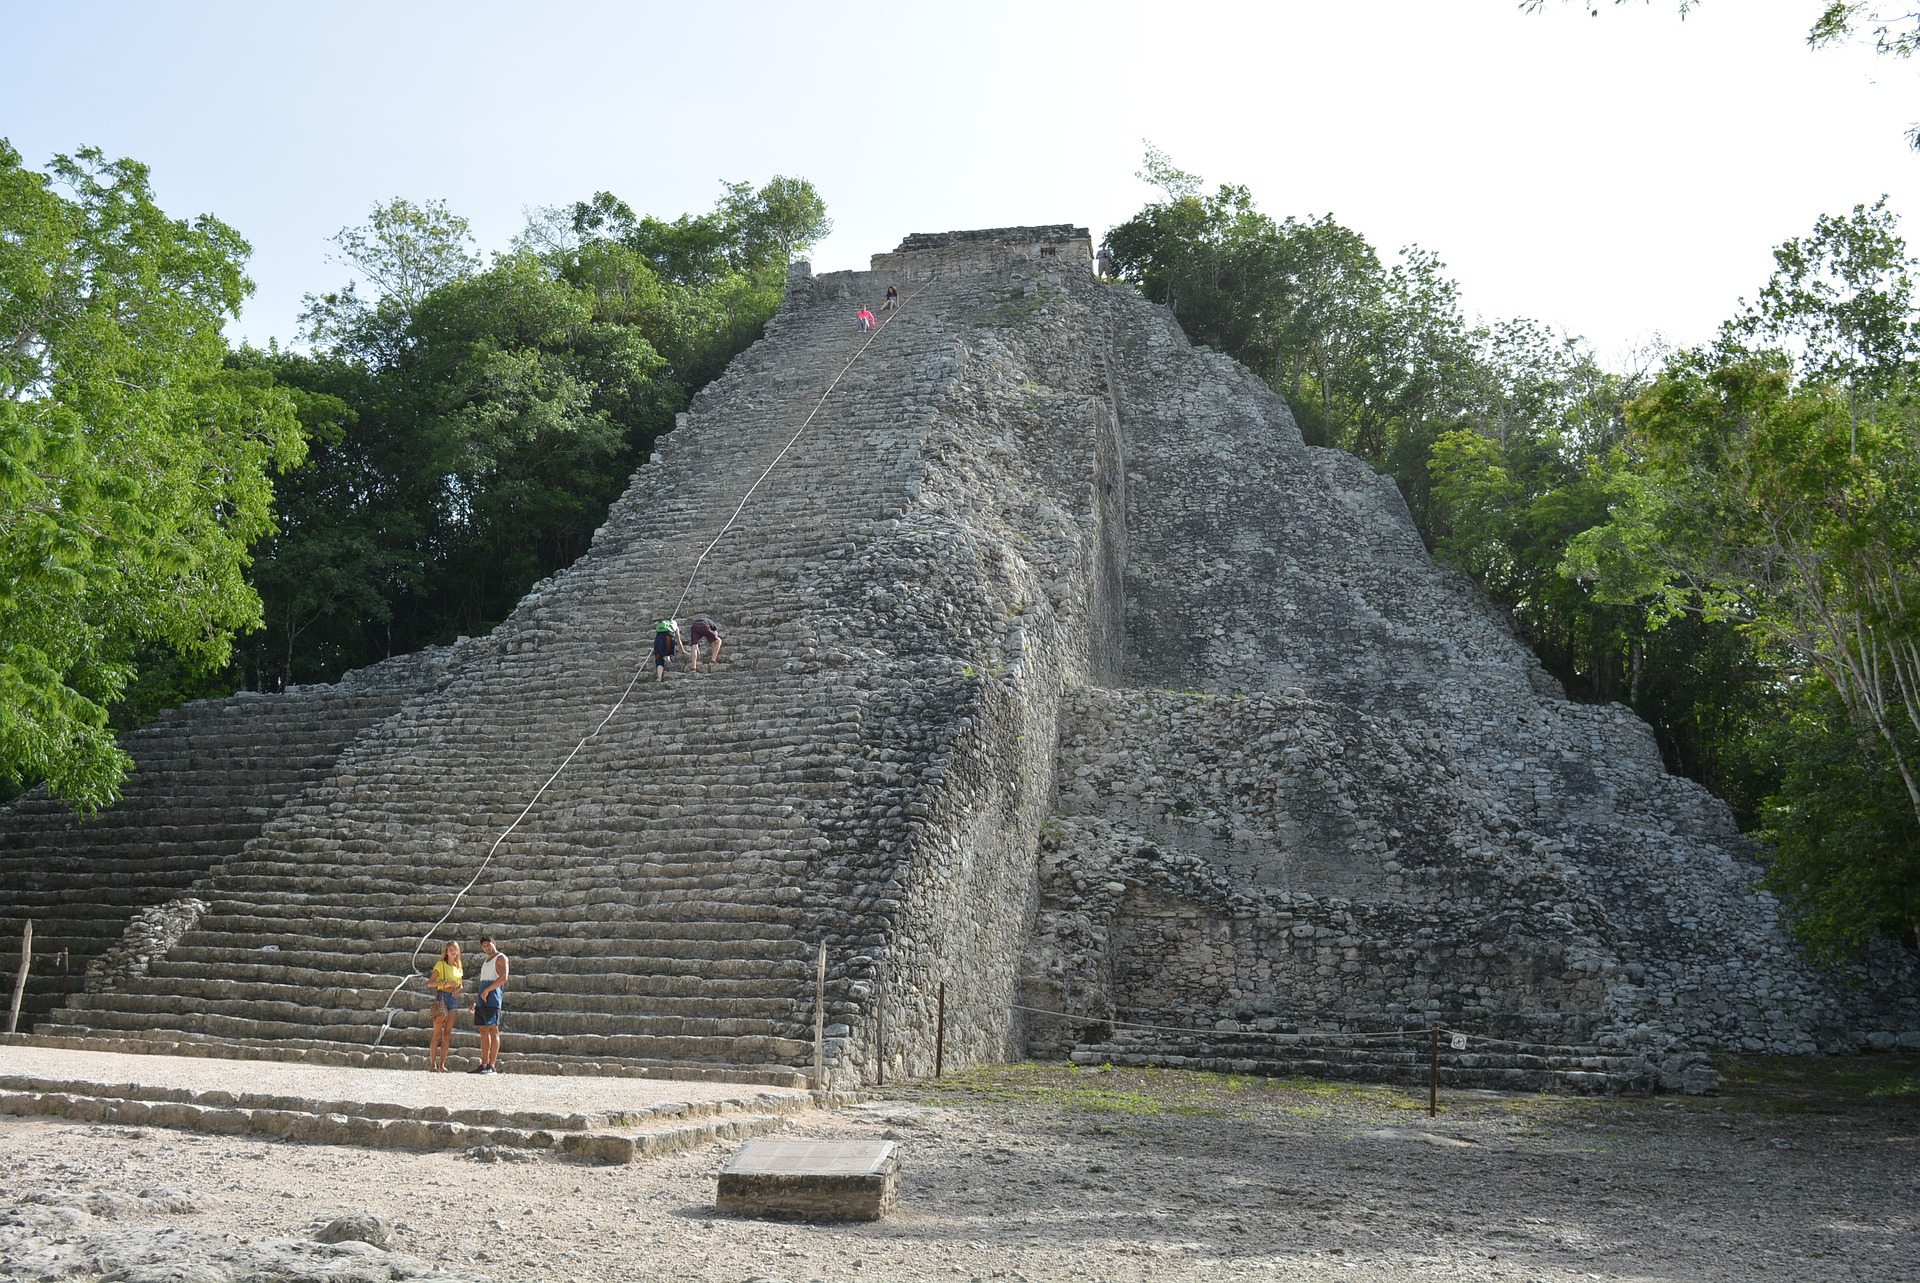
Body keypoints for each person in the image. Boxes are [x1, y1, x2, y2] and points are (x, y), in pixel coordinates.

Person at [470, 934, 508, 1074]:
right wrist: (477, 1001)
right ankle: (484, 1064)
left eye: (488, 944)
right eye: (484, 946)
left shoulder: (501, 958)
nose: (486, 948)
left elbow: (503, 977)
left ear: (494, 943)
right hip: (482, 1000)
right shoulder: (486, 961)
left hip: (493, 1000)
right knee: (483, 1031)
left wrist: (487, 990)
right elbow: (483, 982)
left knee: (493, 1030)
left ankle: (492, 1066)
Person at [427, 941, 462, 1072]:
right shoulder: (440, 964)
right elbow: (430, 983)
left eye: (455, 949)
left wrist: (458, 990)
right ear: (446, 952)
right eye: (450, 949)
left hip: (453, 999)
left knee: (447, 1034)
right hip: (442, 997)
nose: (453, 951)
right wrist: (446, 982)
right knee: (437, 1033)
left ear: (458, 951)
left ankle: (442, 1065)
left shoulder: (458, 967)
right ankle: (433, 1064)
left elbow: (460, 984)